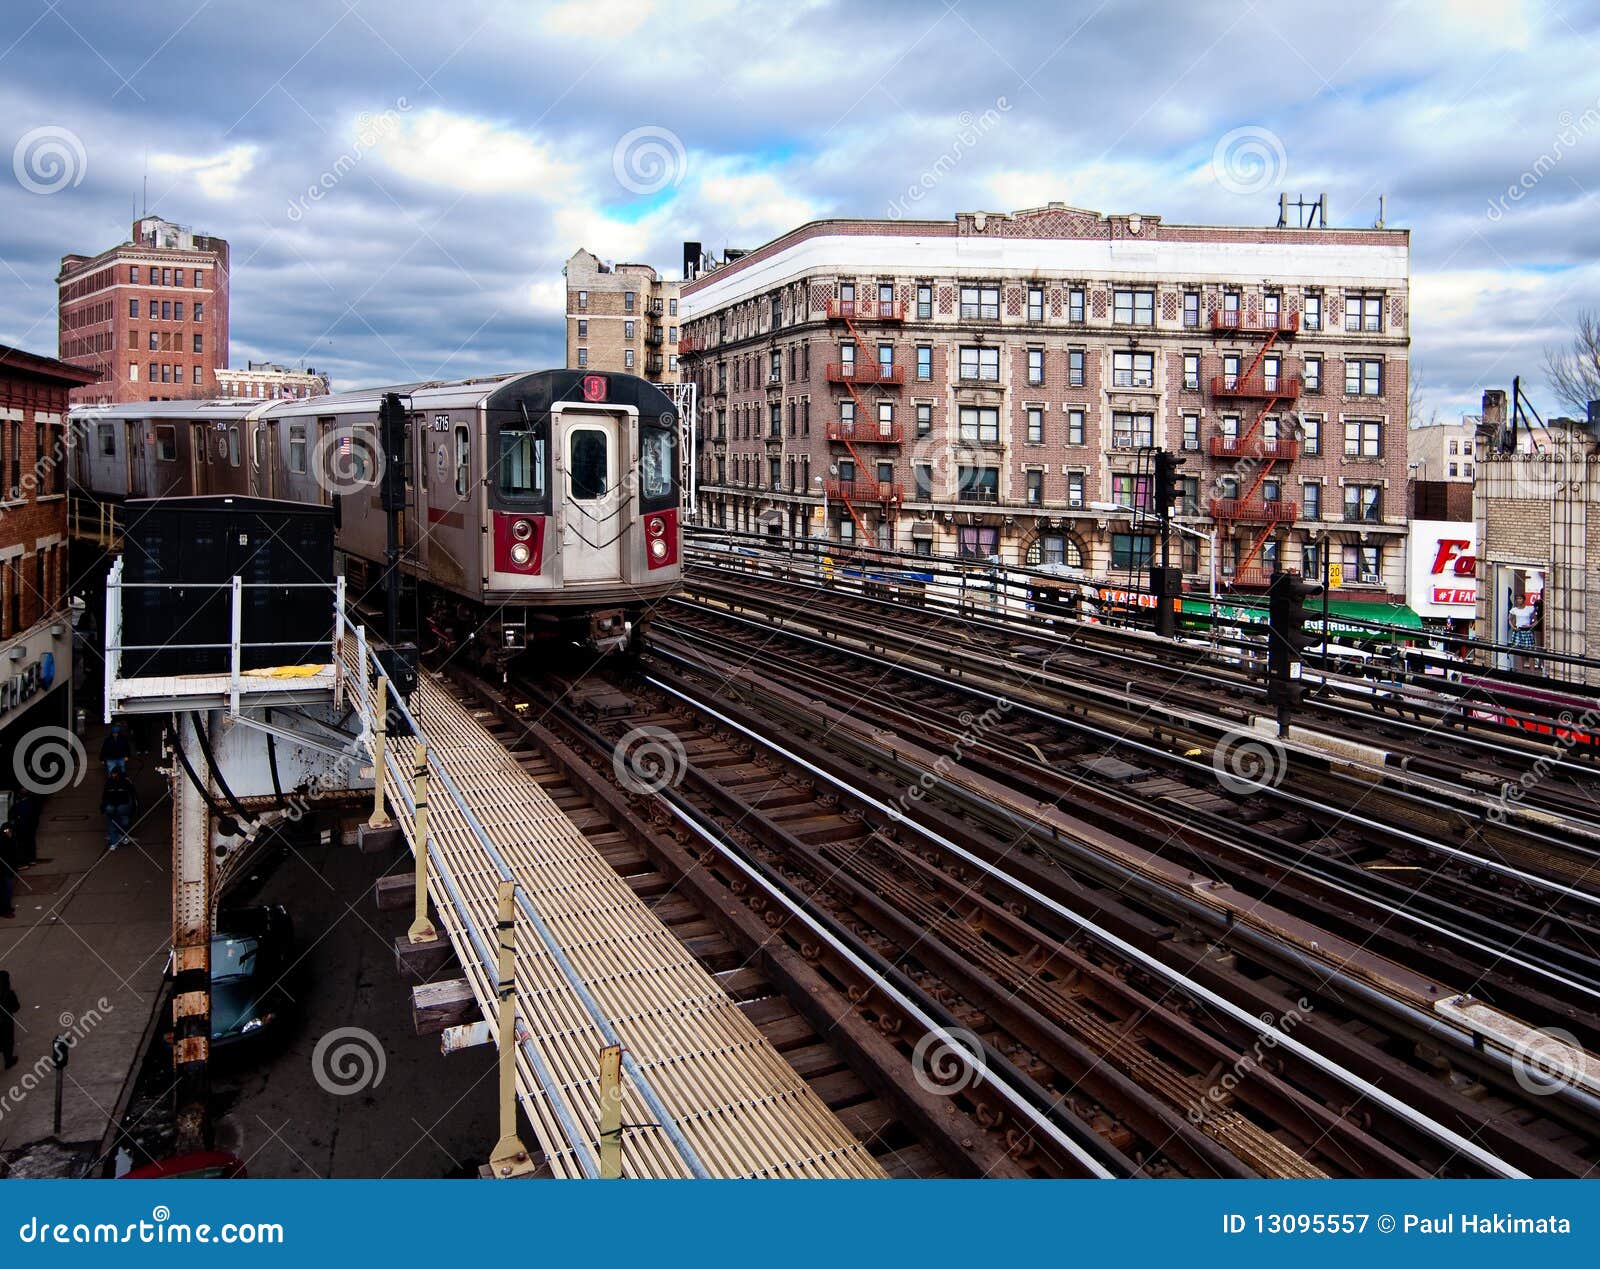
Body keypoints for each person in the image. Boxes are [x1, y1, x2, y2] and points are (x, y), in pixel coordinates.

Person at [101, 769, 138, 852]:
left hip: (111, 805)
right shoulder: (126, 782)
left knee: (112, 822)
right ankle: (124, 837)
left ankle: (114, 842)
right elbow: (133, 795)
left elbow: (104, 796)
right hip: (123, 805)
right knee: (124, 821)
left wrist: (103, 807)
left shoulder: (109, 782)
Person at [0, 822, 18, 919]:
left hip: (9, 869)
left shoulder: (12, 840)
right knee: (6, 890)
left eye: (9, 830)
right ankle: (4, 910)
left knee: (9, 890)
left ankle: (7, 907)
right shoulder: (2, 841)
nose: (8, 832)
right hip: (3, 871)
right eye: (6, 831)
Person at [0, 970, 17, 1068]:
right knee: (8, 1042)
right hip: (6, 1022)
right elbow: (16, 1008)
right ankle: (8, 1061)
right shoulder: (9, 993)